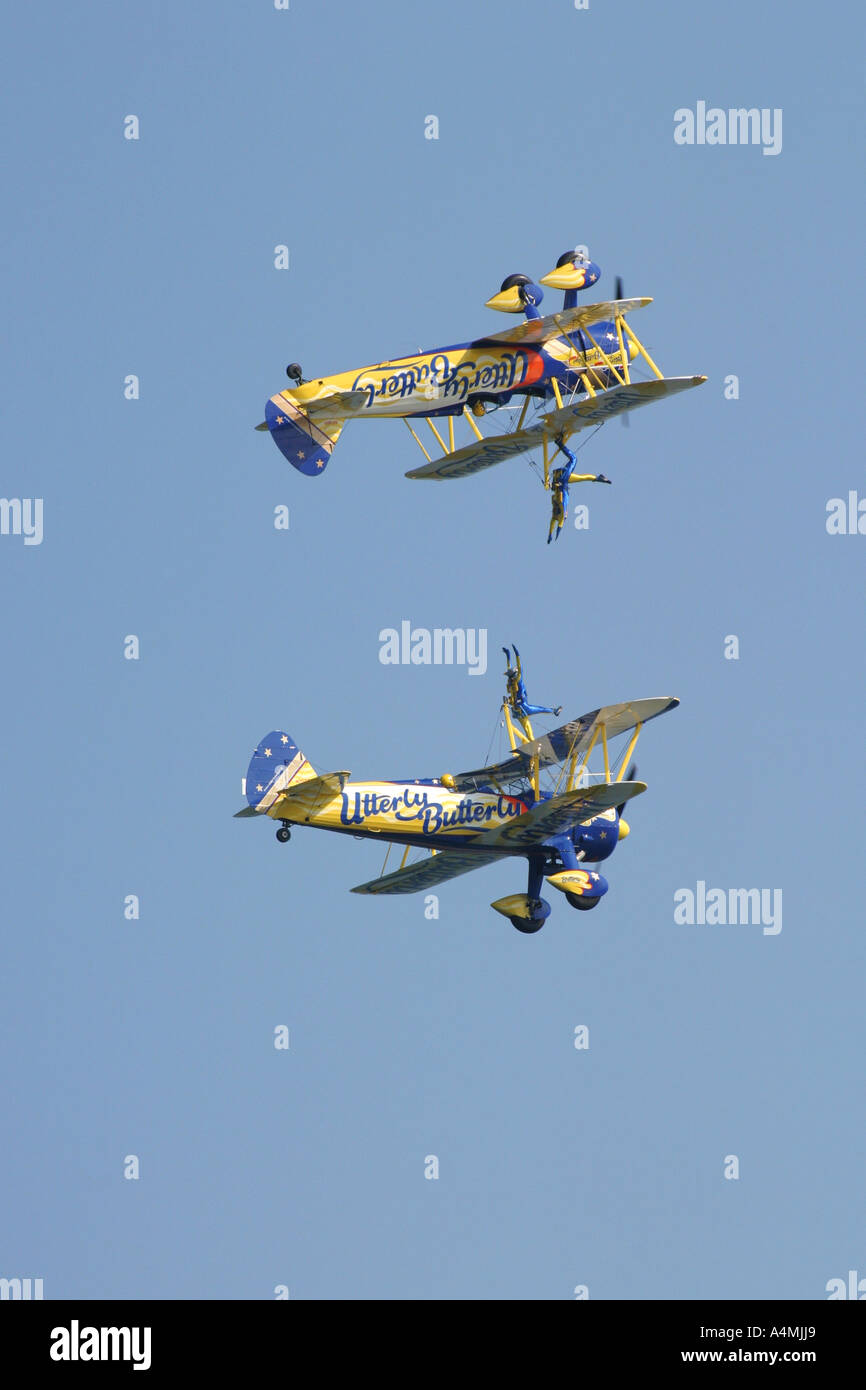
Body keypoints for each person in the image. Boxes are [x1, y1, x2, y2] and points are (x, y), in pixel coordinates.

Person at [546, 439, 611, 543]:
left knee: (574, 460)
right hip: (559, 478)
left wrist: (557, 534)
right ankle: (598, 478)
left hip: (562, 479)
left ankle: (559, 443)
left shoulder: (561, 511)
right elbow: (553, 523)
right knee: (581, 477)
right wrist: (550, 535)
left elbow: (560, 523)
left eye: (566, 515)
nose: (566, 514)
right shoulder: (555, 511)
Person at [502, 645, 561, 739]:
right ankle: (554, 711)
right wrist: (511, 655)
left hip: (518, 710)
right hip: (523, 708)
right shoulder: (515, 679)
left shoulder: (515, 679)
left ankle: (530, 741)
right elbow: (514, 667)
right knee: (537, 713)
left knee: (527, 728)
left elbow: (515, 667)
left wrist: (511, 655)